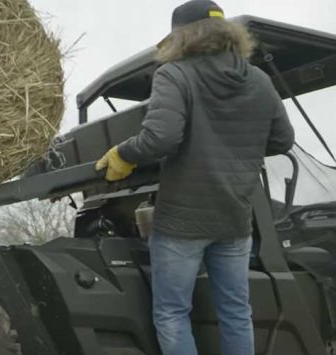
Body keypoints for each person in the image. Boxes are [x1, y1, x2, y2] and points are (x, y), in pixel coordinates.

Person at [95, 1, 295, 354]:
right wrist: (236, 147)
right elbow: (282, 140)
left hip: (182, 223)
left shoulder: (175, 74)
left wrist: (122, 154)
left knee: (173, 312)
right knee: (236, 311)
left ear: (182, 37)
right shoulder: (259, 80)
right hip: (234, 219)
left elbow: (161, 137)